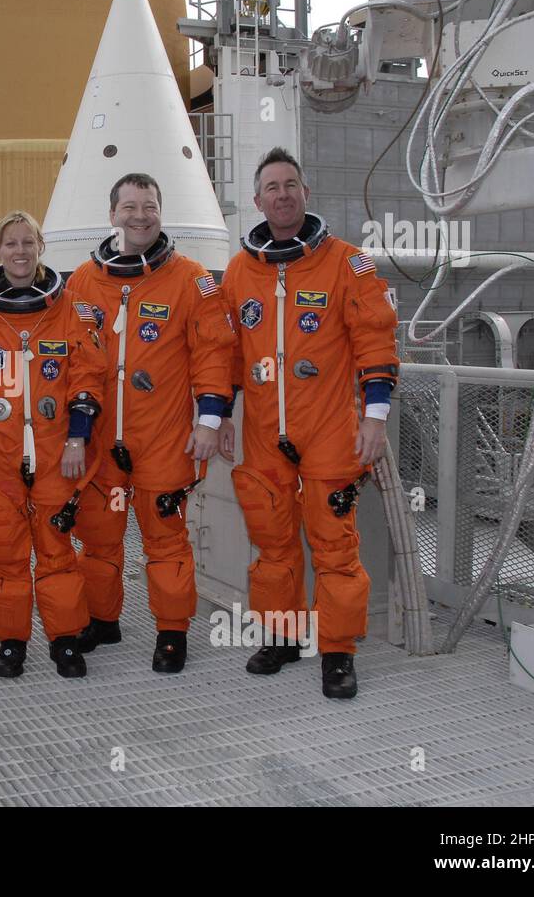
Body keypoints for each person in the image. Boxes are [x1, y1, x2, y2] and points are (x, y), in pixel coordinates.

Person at [218, 147, 399, 699]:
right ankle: (284, 634)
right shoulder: (239, 270)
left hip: (329, 429)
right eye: (272, 187)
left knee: (334, 546)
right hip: (264, 433)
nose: (282, 194)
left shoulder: (348, 263)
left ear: (305, 192)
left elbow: (375, 340)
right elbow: (222, 352)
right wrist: (220, 414)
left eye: (290, 184)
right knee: (272, 545)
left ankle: (338, 651)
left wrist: (374, 417)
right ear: (258, 200)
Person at [66, 174, 237, 673]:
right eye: (129, 206)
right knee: (97, 536)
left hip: (162, 439)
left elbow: (214, 355)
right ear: (112, 214)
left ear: (161, 212)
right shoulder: (82, 281)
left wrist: (209, 419)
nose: (140, 215)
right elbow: (73, 360)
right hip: (100, 440)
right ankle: (103, 619)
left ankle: (171, 631)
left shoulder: (192, 279)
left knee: (165, 540)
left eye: (149, 205)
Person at [0, 211, 105, 678]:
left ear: (41, 247)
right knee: (5, 558)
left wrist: (78, 437)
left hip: (57, 456)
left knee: (57, 554)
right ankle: (12, 641)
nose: (19, 251)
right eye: (10, 243)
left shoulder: (71, 309)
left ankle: (64, 640)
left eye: (28, 243)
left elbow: (87, 379)